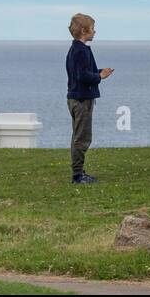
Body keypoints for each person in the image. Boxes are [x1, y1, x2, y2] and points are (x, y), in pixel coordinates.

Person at [65, 13, 113, 184]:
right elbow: (82, 76)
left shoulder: (76, 50)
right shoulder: (80, 51)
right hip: (81, 100)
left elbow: (82, 72)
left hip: (75, 98)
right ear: (84, 31)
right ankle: (78, 175)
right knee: (82, 137)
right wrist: (100, 76)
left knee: (78, 135)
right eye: (92, 29)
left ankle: (79, 171)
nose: (95, 32)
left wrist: (99, 72)